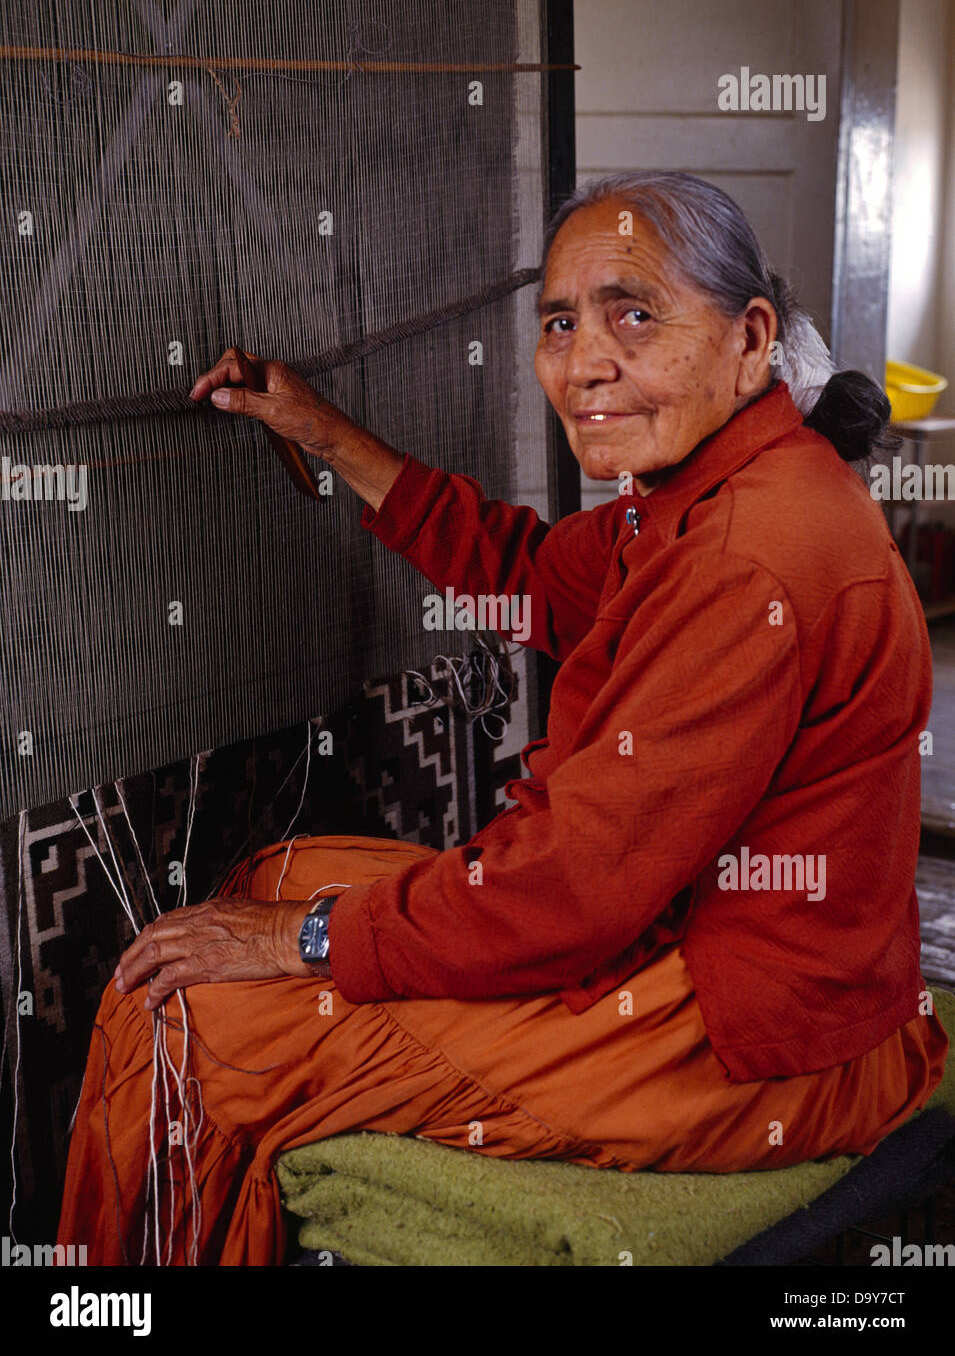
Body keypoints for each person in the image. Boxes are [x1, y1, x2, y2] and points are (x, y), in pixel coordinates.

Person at [57, 171, 948, 1266]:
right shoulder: (706, 490)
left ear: (748, 338)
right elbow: (521, 574)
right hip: (716, 960)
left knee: (180, 1014)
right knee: (273, 877)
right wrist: (322, 431)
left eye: (634, 315)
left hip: (737, 1044)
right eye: (561, 323)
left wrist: (311, 944)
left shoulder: (746, 552)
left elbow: (572, 883)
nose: (585, 362)